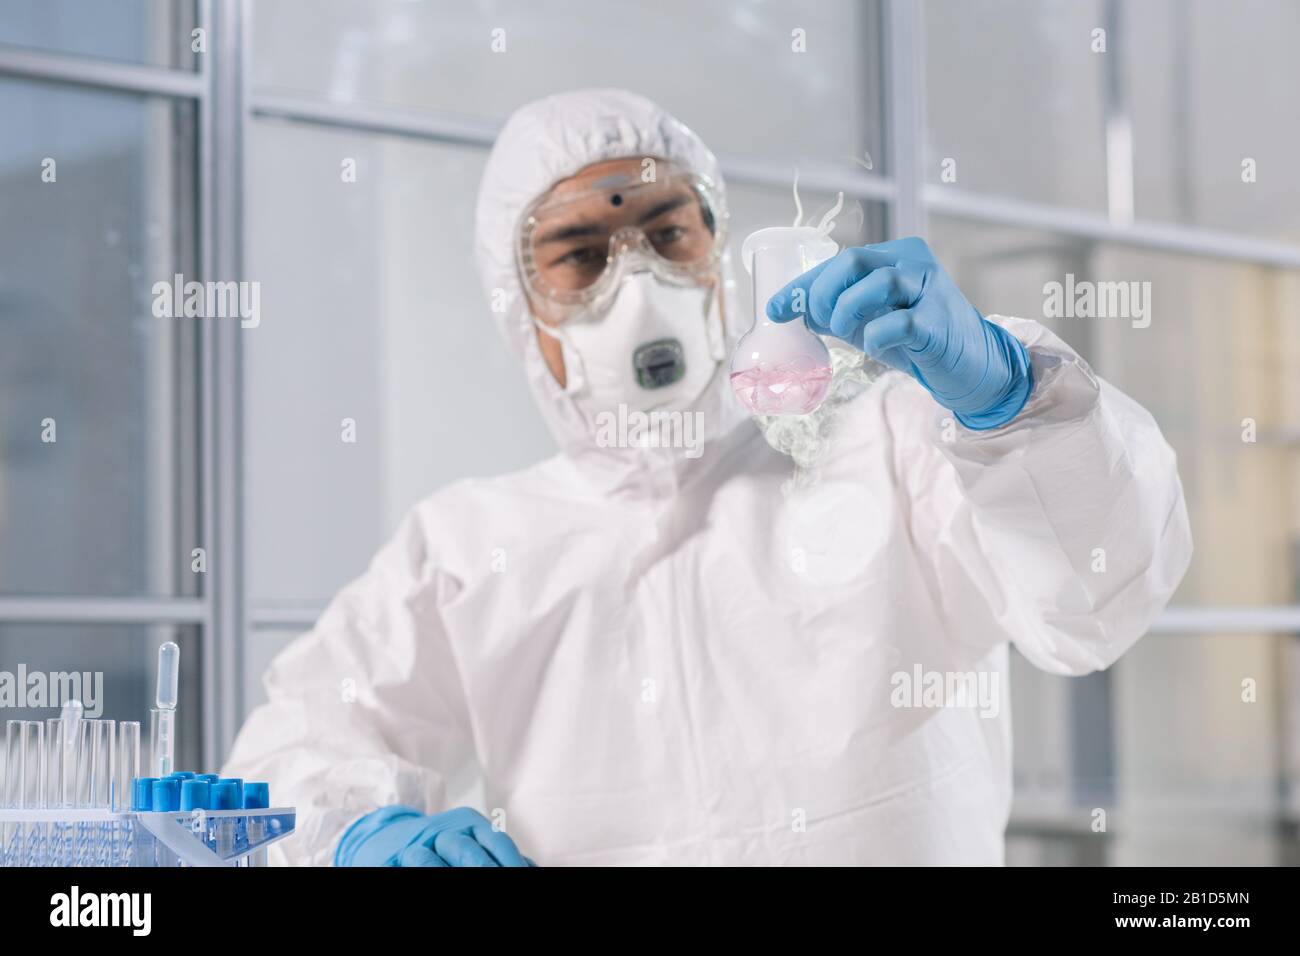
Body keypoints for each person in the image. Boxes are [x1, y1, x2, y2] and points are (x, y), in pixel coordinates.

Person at [224, 88, 1192, 866]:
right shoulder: (468, 547)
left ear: (718, 251)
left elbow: (1098, 598)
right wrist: (358, 831)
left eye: (665, 232)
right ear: (520, 306)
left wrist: (1011, 400)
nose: (635, 280)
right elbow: (291, 747)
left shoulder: (894, 441)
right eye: (580, 253)